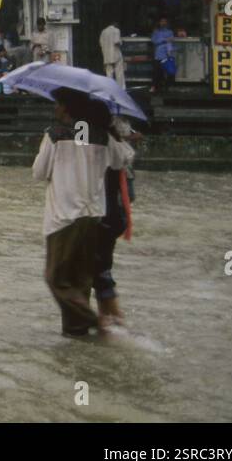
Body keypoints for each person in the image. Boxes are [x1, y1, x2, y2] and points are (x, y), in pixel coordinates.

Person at [31, 87, 129, 337]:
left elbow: (38, 173)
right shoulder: (103, 136)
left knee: (56, 279)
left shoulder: (54, 135)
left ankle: (98, 322)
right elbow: (120, 162)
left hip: (63, 217)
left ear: (67, 107)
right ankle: (76, 333)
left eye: (58, 104)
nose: (55, 109)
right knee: (81, 282)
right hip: (93, 215)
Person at [95, 116, 139, 328]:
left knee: (99, 269)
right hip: (115, 217)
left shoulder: (108, 147)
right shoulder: (122, 151)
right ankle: (109, 316)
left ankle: (111, 317)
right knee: (102, 267)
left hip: (105, 217)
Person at [151, 17, 176, 94]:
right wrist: (164, 40)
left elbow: (171, 40)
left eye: (165, 21)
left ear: (167, 23)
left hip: (167, 55)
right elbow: (154, 41)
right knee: (157, 72)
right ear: (159, 22)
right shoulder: (156, 32)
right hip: (158, 55)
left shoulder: (170, 32)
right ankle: (155, 87)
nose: (163, 23)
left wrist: (163, 41)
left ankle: (167, 87)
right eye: (162, 21)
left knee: (169, 72)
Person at [99, 19, 125, 89]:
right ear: (115, 24)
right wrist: (121, 41)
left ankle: (110, 88)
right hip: (116, 54)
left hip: (107, 55)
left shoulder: (103, 31)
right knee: (119, 72)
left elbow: (101, 43)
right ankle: (120, 88)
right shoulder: (116, 30)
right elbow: (116, 41)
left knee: (109, 72)